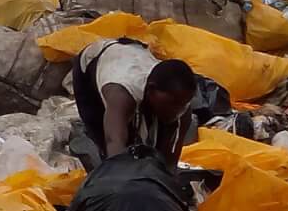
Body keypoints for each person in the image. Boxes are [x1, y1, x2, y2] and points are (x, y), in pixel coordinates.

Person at [73, 38, 198, 166]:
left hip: (134, 58)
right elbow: (114, 143)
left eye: (182, 105)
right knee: (110, 146)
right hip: (92, 68)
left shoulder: (181, 105)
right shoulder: (121, 96)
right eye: (171, 104)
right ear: (151, 89)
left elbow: (170, 160)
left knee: (154, 153)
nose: (176, 111)